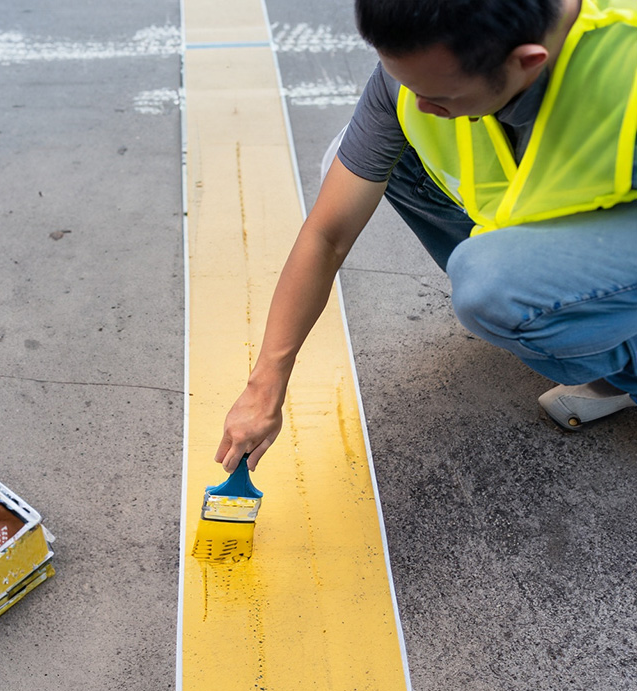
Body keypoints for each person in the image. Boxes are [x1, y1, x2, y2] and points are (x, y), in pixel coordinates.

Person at [216, 0, 637, 474]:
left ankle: (626, 364)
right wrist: (266, 383)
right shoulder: (416, 84)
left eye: (443, 95)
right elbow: (327, 233)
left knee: (495, 288)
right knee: (367, 156)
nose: (420, 105)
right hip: (576, 203)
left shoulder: (625, 70)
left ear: (526, 61)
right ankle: (586, 320)